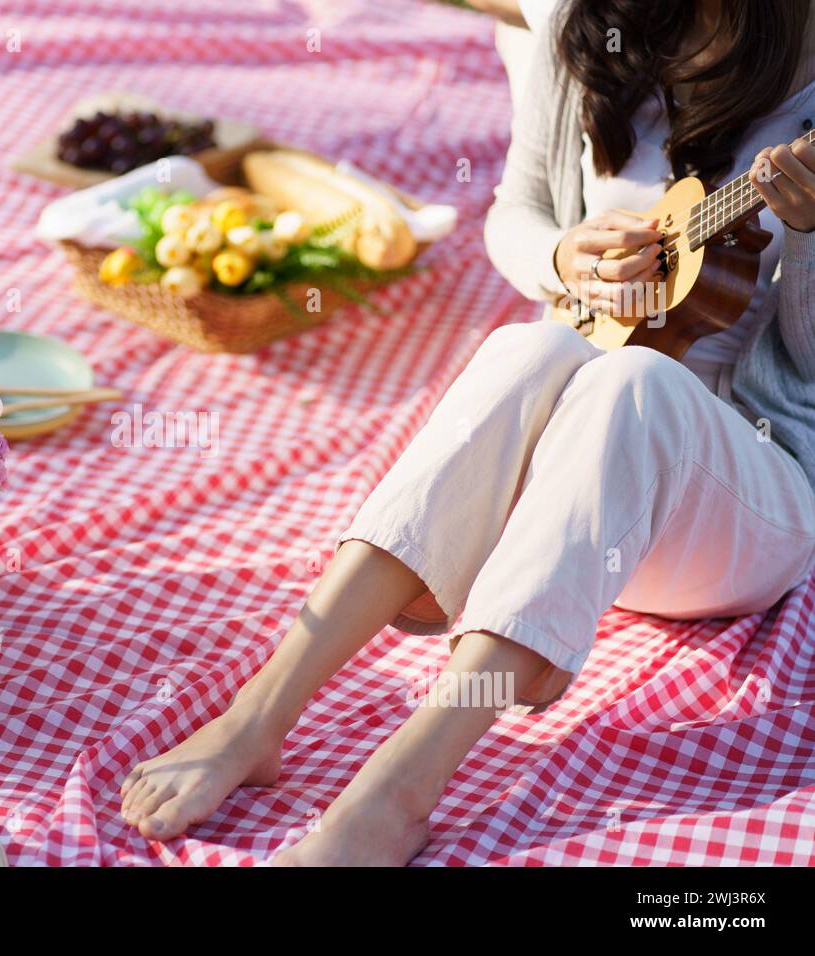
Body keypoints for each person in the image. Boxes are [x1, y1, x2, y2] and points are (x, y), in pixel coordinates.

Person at [120, 0, 815, 865]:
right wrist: (564, 257)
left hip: (750, 496)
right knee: (530, 347)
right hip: (570, 502)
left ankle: (396, 792)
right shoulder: (589, 18)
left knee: (638, 381)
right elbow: (512, 214)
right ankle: (257, 716)